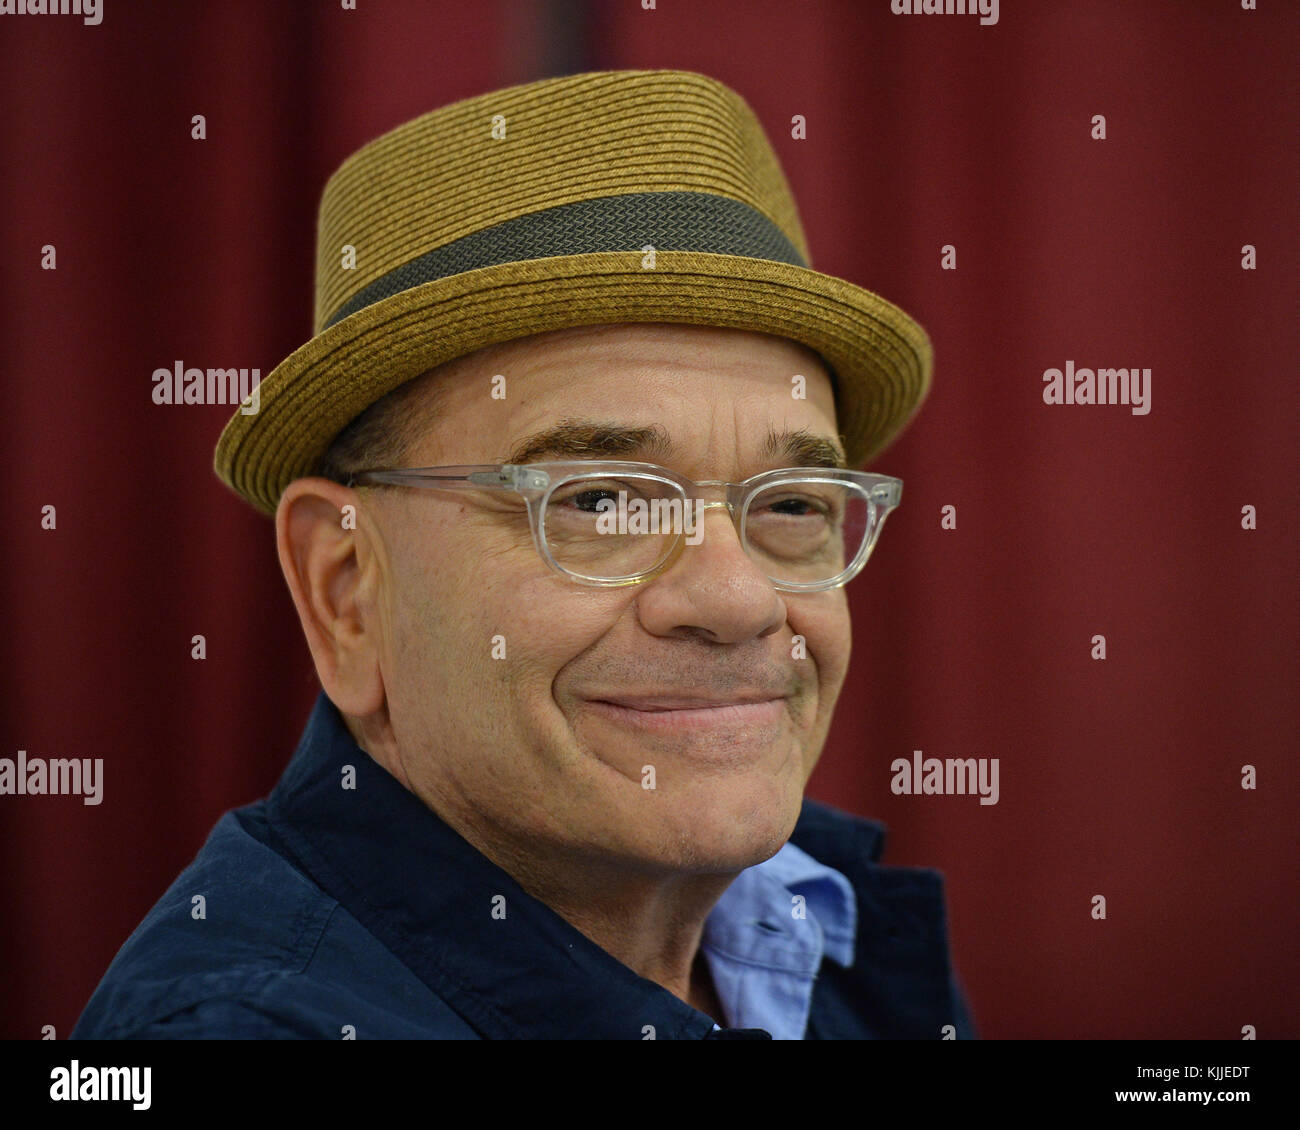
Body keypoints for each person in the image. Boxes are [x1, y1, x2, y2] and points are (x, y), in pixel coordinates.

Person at [72, 68, 975, 1040]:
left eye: (791, 502)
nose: (738, 597)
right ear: (346, 590)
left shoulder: (827, 932)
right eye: (597, 499)